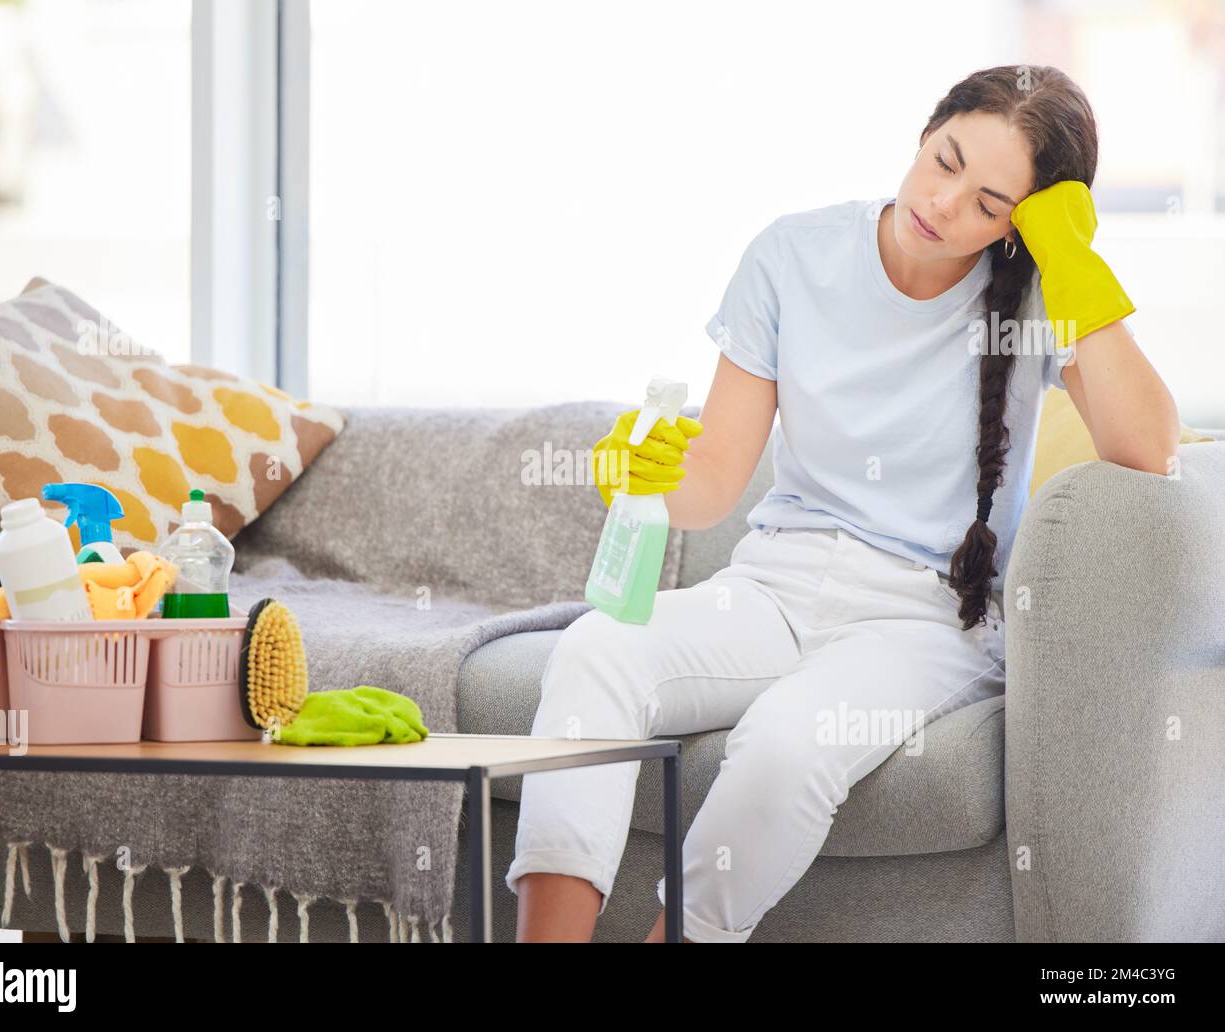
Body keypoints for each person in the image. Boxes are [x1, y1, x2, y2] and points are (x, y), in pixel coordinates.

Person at [506, 63, 1181, 943]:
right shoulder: (793, 255)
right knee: (597, 649)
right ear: (926, 130)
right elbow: (712, 484)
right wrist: (644, 476)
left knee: (788, 746)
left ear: (1021, 220)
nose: (945, 205)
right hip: (774, 587)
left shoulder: (1040, 293)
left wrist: (1072, 256)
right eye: (944, 161)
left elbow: (1150, 448)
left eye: (989, 203)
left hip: (927, 621)